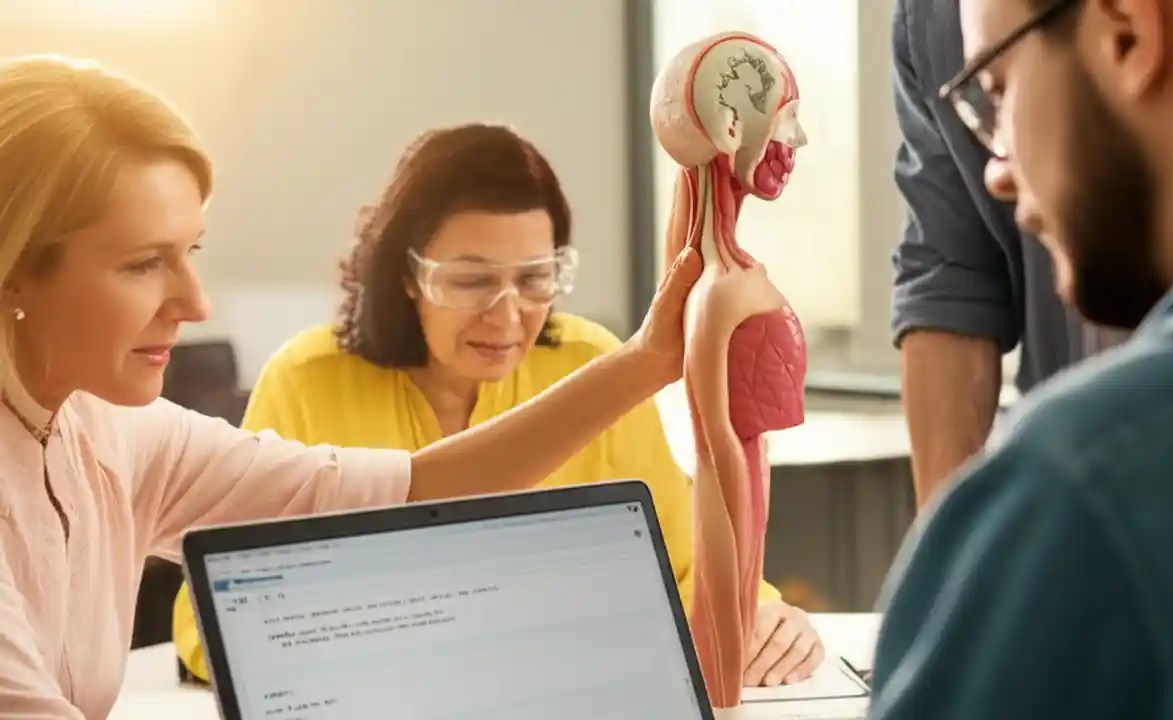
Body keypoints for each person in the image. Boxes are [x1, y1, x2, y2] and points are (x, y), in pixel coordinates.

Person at [0, 54, 701, 720]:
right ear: (16, 269)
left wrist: (646, 362)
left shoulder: (117, 433)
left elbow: (414, 491)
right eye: (143, 264)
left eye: (191, 253)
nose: (195, 302)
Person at [169, 123, 824, 688]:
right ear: (406, 274)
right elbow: (212, 618)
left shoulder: (591, 365)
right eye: (471, 280)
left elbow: (683, 571)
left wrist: (758, 616)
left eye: (535, 278)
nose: (507, 316)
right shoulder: (307, 380)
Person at [870, 0, 1173, 718]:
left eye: (998, 89)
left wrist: (992, 581)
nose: (995, 171)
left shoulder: (1088, 496)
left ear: (1126, 33)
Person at [889, 0, 1129, 507]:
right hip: (1065, 501)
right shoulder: (928, 18)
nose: (999, 177)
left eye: (1001, 89)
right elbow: (949, 277)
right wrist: (949, 568)